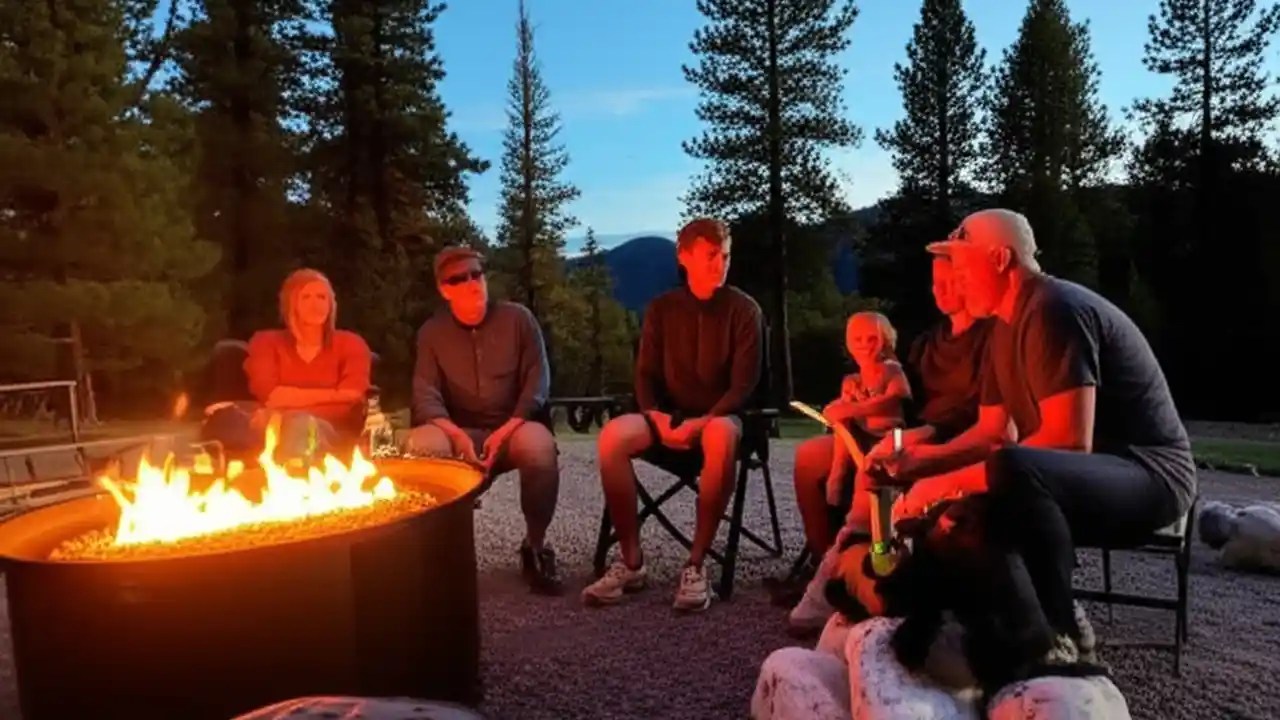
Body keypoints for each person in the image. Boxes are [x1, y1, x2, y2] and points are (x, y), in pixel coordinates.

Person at [869, 208, 1197, 652]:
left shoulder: (1052, 309)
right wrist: (919, 465)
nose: (957, 281)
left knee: (1009, 471)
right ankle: (975, 629)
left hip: (1148, 473)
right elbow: (991, 432)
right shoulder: (1001, 328)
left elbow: (1067, 442)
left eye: (963, 266)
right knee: (956, 513)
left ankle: (1059, 632)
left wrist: (946, 482)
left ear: (1001, 260)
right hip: (1074, 474)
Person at [782, 255, 992, 632]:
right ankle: (827, 560)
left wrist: (921, 432)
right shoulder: (930, 342)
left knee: (876, 469)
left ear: (971, 281)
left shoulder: (990, 340)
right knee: (809, 458)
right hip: (906, 431)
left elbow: (978, 414)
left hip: (950, 438)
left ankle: (852, 569)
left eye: (953, 281)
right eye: (937, 283)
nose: (943, 291)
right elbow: (901, 397)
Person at [582, 217, 764, 613]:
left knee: (718, 433)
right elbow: (645, 373)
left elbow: (742, 385)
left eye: (726, 256)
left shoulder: (744, 310)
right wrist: (656, 416)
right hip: (669, 417)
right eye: (712, 256)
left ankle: (696, 565)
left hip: (722, 418)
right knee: (613, 435)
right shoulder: (662, 309)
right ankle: (632, 562)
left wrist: (703, 421)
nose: (720, 264)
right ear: (684, 256)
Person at [406, 245, 563, 595]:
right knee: (420, 444)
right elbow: (424, 392)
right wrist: (455, 435)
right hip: (460, 432)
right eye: (459, 279)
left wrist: (510, 426)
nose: (472, 283)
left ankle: (535, 547)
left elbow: (538, 381)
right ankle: (439, 555)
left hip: (514, 427)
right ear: (444, 289)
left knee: (539, 448)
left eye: (477, 274)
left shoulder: (517, 319)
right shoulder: (432, 333)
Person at [203, 268, 372, 463]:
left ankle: (296, 477)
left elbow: (352, 397)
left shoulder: (351, 344)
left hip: (325, 429)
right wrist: (336, 394)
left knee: (300, 425)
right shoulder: (266, 341)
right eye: (306, 297)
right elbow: (272, 396)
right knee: (226, 419)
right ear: (291, 304)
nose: (315, 304)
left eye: (321, 297)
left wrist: (284, 411)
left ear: (331, 305)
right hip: (269, 426)